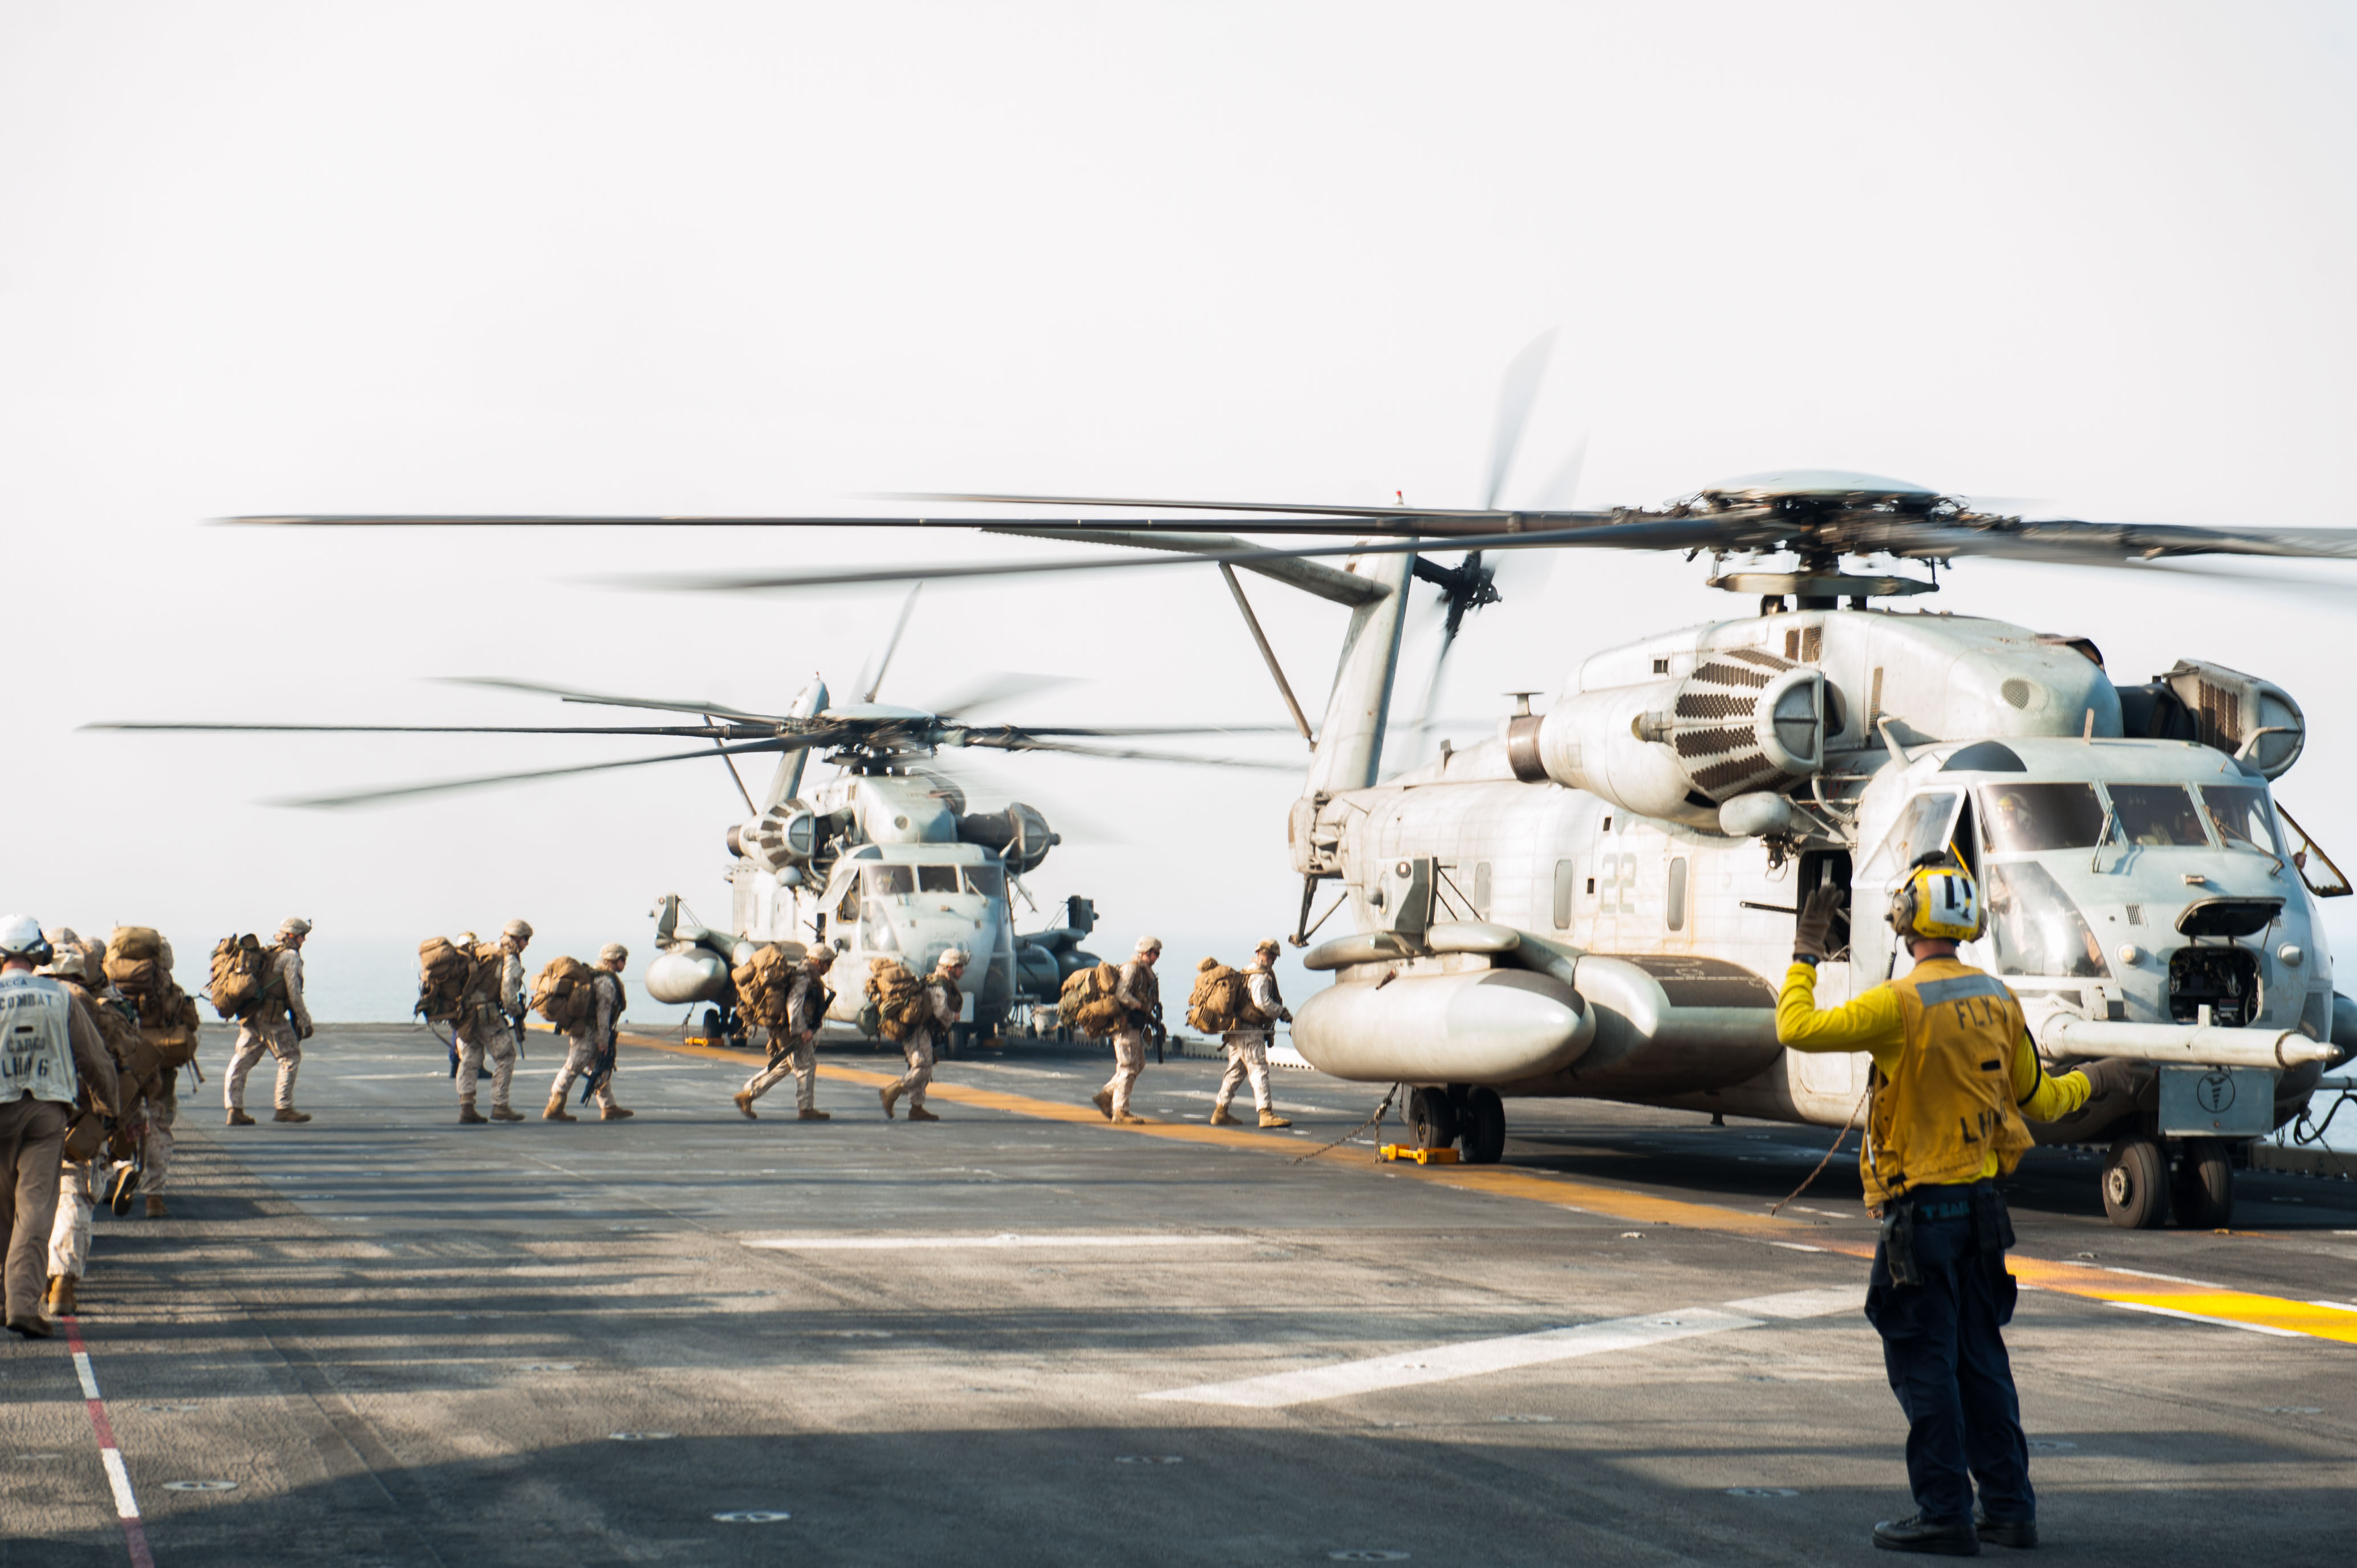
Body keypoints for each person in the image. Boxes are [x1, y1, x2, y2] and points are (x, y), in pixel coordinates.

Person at [1778, 859, 2131, 1555]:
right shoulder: (1998, 1001)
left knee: (1923, 1364)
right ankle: (2007, 1509)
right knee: (1981, 1363)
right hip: (1980, 1215)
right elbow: (2041, 1100)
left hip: (1921, 1220)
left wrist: (1805, 953)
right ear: (1966, 922)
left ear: (1906, 919)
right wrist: (2097, 1077)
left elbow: (1796, 1026)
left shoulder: (1896, 1004)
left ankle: (1941, 1509)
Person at [0, 915, 118, 1338]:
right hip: (45, 1115)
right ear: (39, 954)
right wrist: (110, 1107)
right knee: (34, 1210)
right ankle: (22, 1305)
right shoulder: (60, 997)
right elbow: (95, 1059)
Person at [224, 917, 314, 1126]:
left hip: (253, 1014)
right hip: (271, 1017)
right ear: (292, 936)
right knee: (290, 1057)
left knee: (242, 1060)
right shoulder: (290, 956)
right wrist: (305, 1020)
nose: (304, 940)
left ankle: (234, 1109)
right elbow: (294, 992)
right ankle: (284, 1108)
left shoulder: (268, 951)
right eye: (302, 936)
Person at [733, 947, 837, 1122]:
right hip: (792, 1031)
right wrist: (801, 1031)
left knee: (784, 1066)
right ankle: (806, 1109)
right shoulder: (804, 977)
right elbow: (793, 1005)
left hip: (786, 1029)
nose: (829, 968)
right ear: (818, 962)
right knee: (806, 1066)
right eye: (828, 964)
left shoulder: (804, 975)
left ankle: (748, 1094)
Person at [545, 944, 634, 1122]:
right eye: (622, 959)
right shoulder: (606, 982)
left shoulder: (597, 975)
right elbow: (603, 1013)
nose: (624, 963)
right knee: (574, 1066)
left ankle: (609, 1107)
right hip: (588, 1032)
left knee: (599, 1068)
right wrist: (603, 1039)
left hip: (588, 1030)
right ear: (614, 960)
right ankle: (555, 1106)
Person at [1211, 939, 1292, 1130]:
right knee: (1259, 1070)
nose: (1273, 960)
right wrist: (1282, 1012)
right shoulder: (1261, 976)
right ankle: (1266, 1113)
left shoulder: (1246, 971)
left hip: (1237, 1030)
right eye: (1273, 956)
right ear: (1269, 955)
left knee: (1235, 1071)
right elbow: (1262, 1003)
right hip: (1251, 1031)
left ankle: (1220, 1111)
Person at [455, 919, 531, 1125]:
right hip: (488, 1016)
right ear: (517, 938)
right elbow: (508, 994)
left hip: (466, 1016)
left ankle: (467, 1107)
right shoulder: (510, 959)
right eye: (526, 940)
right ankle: (500, 1105)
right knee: (506, 1057)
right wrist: (516, 1012)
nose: (527, 945)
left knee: (470, 1060)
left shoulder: (483, 949)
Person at [881, 947, 963, 1122]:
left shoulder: (938, 981)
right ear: (950, 967)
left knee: (925, 1066)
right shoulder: (939, 984)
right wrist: (953, 1017)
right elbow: (941, 1011)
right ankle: (892, 1092)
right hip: (918, 1031)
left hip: (923, 1031)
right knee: (923, 1066)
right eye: (959, 967)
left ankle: (916, 1108)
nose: (962, 971)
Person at [1092, 936, 1161, 1126]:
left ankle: (1107, 1094)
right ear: (1146, 952)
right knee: (1128, 1067)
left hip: (1134, 1027)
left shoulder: (1145, 972)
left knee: (1138, 1064)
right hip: (1125, 1026)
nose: (1157, 957)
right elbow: (1121, 994)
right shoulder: (1131, 969)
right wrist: (1139, 1005)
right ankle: (1121, 1110)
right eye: (1155, 953)